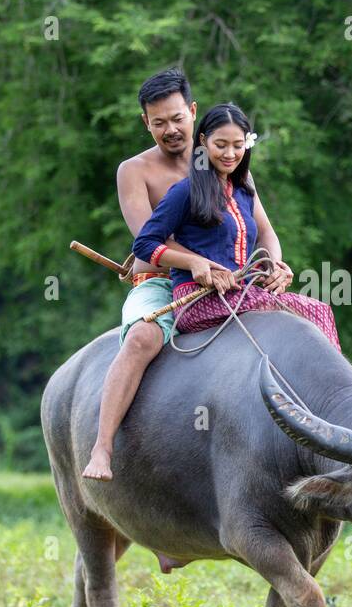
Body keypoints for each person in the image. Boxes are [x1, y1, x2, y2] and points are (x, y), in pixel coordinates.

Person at [82, 70, 291, 481]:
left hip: (233, 279)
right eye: (158, 122)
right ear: (146, 123)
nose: (170, 129)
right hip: (165, 282)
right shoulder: (134, 170)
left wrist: (273, 263)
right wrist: (195, 263)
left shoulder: (230, 162)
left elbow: (263, 229)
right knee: (142, 336)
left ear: (192, 112)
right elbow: (148, 241)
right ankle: (102, 447)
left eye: (177, 118)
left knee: (296, 330)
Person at [131, 102, 340, 353]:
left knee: (321, 310)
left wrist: (273, 269)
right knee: (306, 314)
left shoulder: (243, 192)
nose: (230, 154)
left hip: (242, 293)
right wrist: (193, 263)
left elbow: (266, 237)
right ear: (203, 142)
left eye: (238, 146)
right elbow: (144, 244)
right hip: (199, 299)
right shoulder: (185, 191)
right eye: (221, 145)